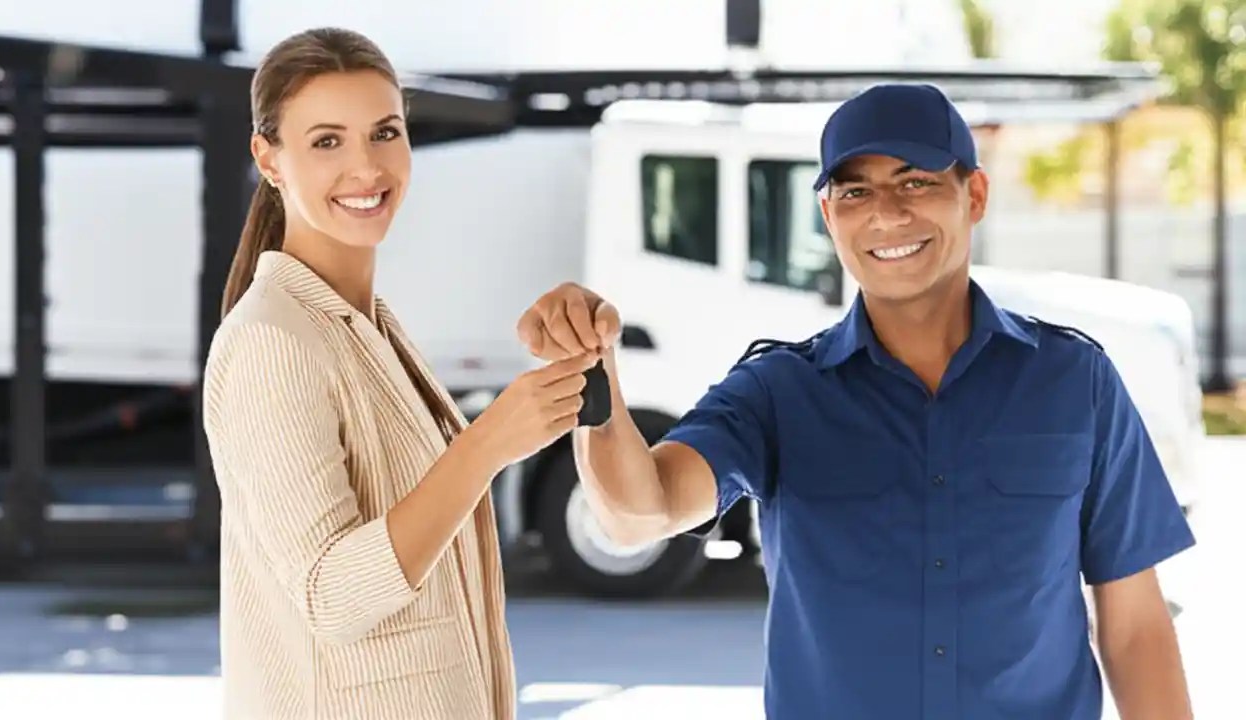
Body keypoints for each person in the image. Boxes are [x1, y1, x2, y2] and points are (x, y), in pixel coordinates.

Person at [517, 83, 1196, 719]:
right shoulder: (777, 392)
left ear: (976, 194)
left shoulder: (1074, 381)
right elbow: (641, 514)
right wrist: (590, 380)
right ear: (827, 214)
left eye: (916, 182)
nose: (886, 213)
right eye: (855, 191)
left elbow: (1135, 625)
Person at [201, 27, 597, 720]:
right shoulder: (272, 340)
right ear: (269, 158)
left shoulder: (364, 326)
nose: (366, 167)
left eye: (385, 132)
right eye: (327, 141)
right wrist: (486, 445)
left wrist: (585, 348)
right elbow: (333, 594)